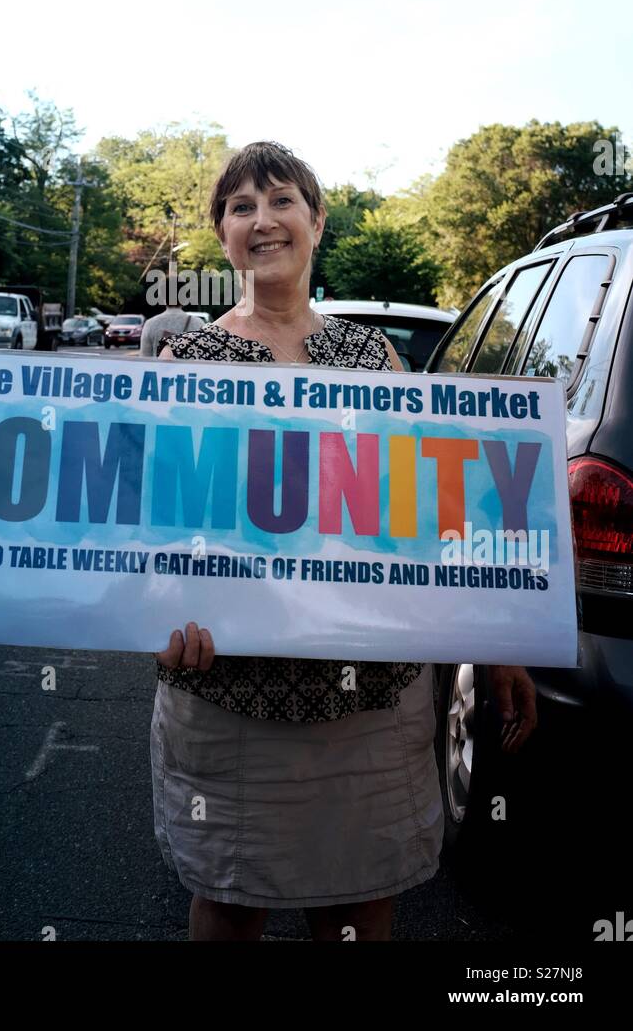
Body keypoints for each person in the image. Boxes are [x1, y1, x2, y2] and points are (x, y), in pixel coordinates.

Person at [149, 140, 538, 942]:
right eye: (240, 207)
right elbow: (155, 530)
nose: (263, 220)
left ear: (317, 221)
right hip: (232, 694)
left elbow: (435, 514)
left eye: (282, 200)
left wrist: (500, 638)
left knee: (361, 906)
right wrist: (155, 620)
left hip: (372, 696)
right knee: (229, 900)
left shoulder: (374, 361)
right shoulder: (187, 364)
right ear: (221, 233)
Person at [139, 304, 205, 358]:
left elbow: (144, 359)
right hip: (190, 373)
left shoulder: (150, 324)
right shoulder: (198, 323)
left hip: (160, 373)